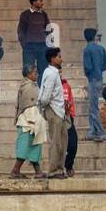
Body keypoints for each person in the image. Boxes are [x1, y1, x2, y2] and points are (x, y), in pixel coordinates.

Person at [11, 66, 45, 178]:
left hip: (34, 121)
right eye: (35, 73)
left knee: (35, 146)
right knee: (24, 147)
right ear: (28, 74)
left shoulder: (33, 85)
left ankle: (38, 171)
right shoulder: (27, 87)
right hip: (27, 122)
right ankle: (15, 171)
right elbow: (28, 106)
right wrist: (31, 122)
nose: (37, 74)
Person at [38, 47, 67, 178]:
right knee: (56, 142)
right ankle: (53, 170)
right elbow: (45, 96)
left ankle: (60, 168)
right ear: (53, 59)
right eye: (59, 57)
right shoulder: (51, 74)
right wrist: (44, 108)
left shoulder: (53, 72)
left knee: (62, 141)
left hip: (59, 111)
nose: (61, 59)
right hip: (54, 110)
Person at [82, 27, 106, 141]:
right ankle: (92, 131)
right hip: (99, 78)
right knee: (92, 106)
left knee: (93, 108)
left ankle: (100, 132)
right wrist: (99, 69)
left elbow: (87, 67)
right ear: (94, 37)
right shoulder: (101, 48)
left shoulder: (87, 50)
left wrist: (90, 72)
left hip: (92, 79)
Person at [17, 0, 50, 82]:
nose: (42, 3)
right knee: (28, 70)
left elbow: (48, 29)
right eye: (40, 1)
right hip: (29, 47)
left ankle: (40, 92)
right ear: (34, 2)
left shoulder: (44, 15)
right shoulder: (25, 14)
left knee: (43, 71)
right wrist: (24, 45)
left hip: (42, 47)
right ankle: (29, 91)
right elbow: (21, 31)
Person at [61, 75, 79, 178]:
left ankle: (68, 165)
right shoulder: (51, 84)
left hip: (68, 117)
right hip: (57, 117)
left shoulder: (65, 85)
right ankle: (58, 169)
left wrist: (71, 113)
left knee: (73, 144)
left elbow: (69, 100)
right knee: (59, 145)